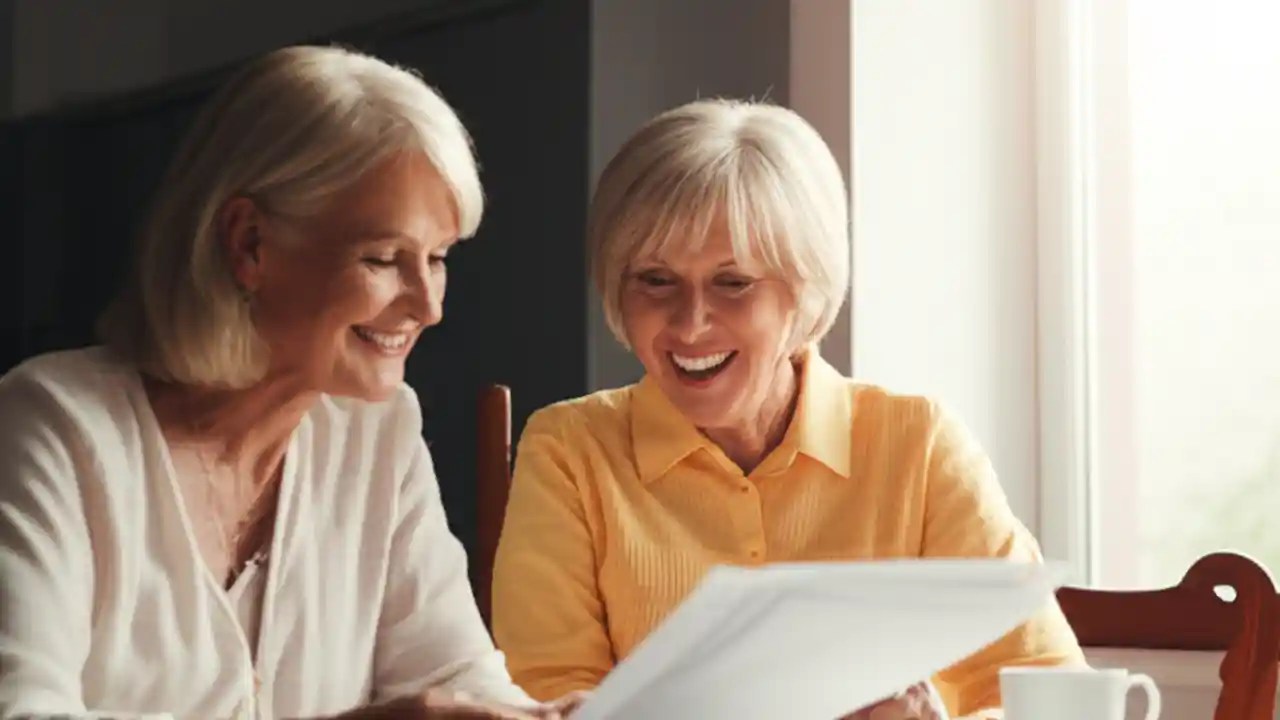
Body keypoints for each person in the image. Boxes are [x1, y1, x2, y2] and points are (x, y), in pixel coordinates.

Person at [0, 45, 580, 720]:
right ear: (249, 243)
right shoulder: (49, 428)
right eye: (385, 258)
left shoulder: (378, 430)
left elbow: (455, 673)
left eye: (439, 259)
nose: (428, 305)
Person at [490, 99, 1085, 719]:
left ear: (806, 291)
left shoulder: (919, 444)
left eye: (733, 282)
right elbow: (548, 706)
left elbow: (1049, 692)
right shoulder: (569, 450)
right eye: (656, 280)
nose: (691, 323)